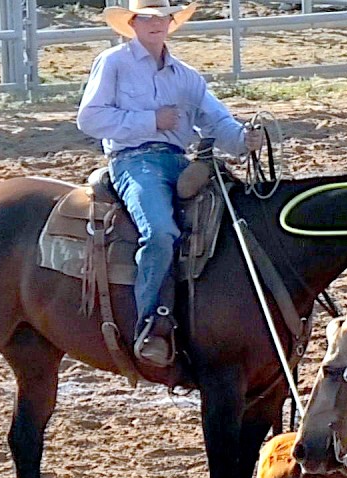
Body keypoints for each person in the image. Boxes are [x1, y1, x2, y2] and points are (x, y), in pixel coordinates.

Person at [76, 0, 263, 367]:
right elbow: (90, 118)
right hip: (133, 160)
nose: (155, 24)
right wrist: (151, 120)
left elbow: (216, 121)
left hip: (180, 161)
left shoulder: (186, 76)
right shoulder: (114, 63)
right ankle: (150, 324)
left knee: (236, 220)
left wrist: (244, 140)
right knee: (159, 231)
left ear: (171, 23)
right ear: (133, 23)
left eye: (162, 17)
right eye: (146, 18)